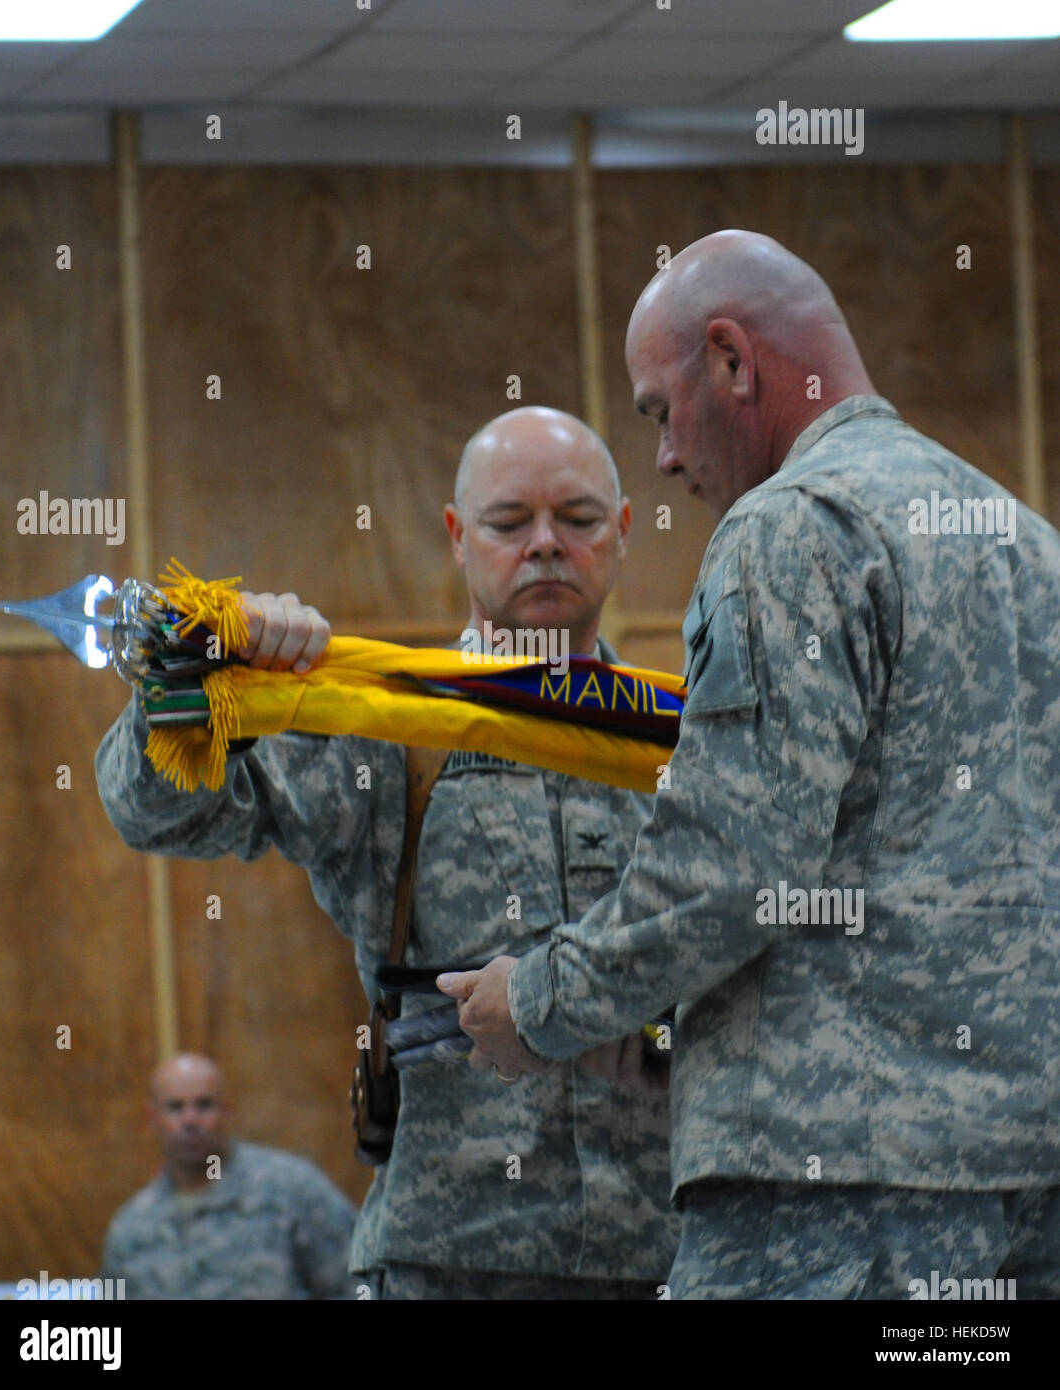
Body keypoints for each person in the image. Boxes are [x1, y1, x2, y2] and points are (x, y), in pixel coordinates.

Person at [446, 230, 1060, 1300]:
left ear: (731, 362)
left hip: (835, 1179)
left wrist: (542, 1000)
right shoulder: (1022, 539)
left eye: (656, 410)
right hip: (1026, 1173)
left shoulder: (790, 531)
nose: (666, 458)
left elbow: (731, 861)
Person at [96, 406, 679, 1300]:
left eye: (579, 519)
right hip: (452, 1259)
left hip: (671, 1255)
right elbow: (158, 816)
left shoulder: (683, 738)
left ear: (626, 530)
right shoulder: (389, 735)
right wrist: (201, 678)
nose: (547, 546)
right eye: (509, 522)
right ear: (456, 536)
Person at [100, 1053, 356, 1299]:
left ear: (227, 1110)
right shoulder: (131, 1229)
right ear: (152, 1118)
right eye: (175, 1107)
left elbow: (358, 1286)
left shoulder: (292, 1191)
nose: (190, 1120)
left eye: (204, 1105)